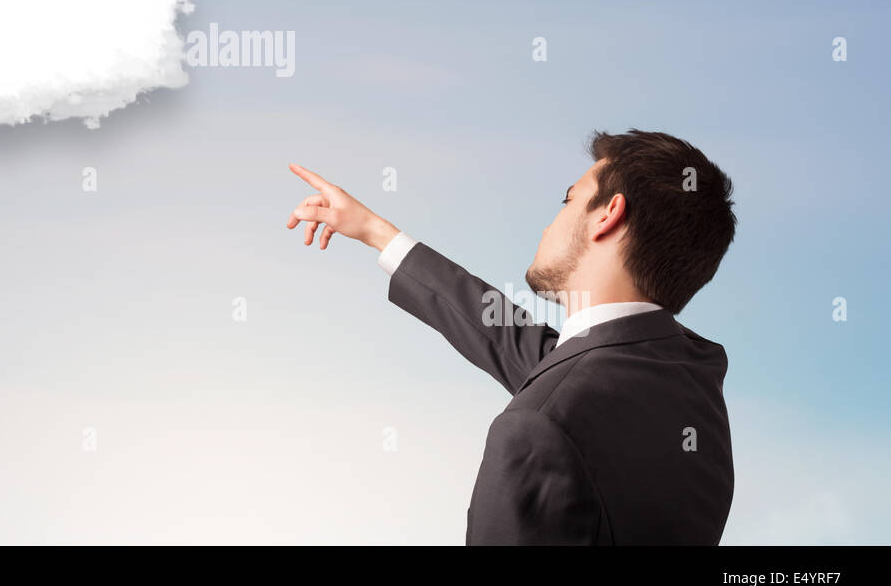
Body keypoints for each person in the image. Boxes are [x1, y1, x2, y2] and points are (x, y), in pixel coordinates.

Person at [286, 129, 737, 545]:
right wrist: (377, 233)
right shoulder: (692, 373)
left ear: (608, 215)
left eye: (568, 200)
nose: (549, 224)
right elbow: (522, 344)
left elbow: (555, 392)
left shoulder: (537, 428)